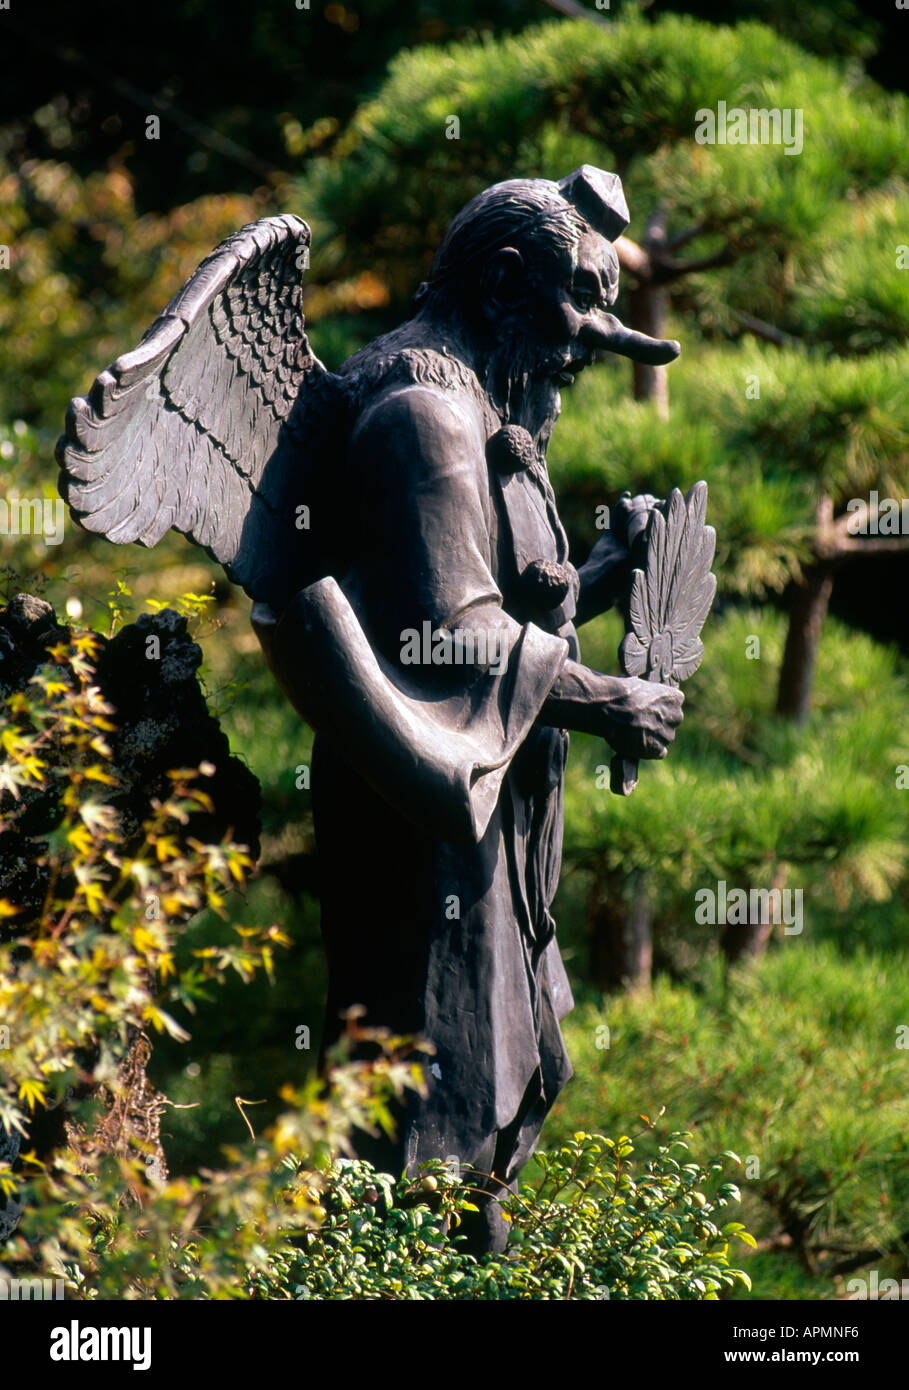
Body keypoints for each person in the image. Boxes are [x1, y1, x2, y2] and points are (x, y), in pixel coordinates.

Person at [253, 167, 684, 1252]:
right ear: (501, 283)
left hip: (484, 832)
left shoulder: (473, 401)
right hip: (427, 846)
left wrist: (600, 576)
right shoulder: (423, 417)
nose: (584, 350)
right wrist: (613, 699)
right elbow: (456, 643)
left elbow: (493, 618)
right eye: (576, 310)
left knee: (479, 1139)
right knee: (428, 1143)